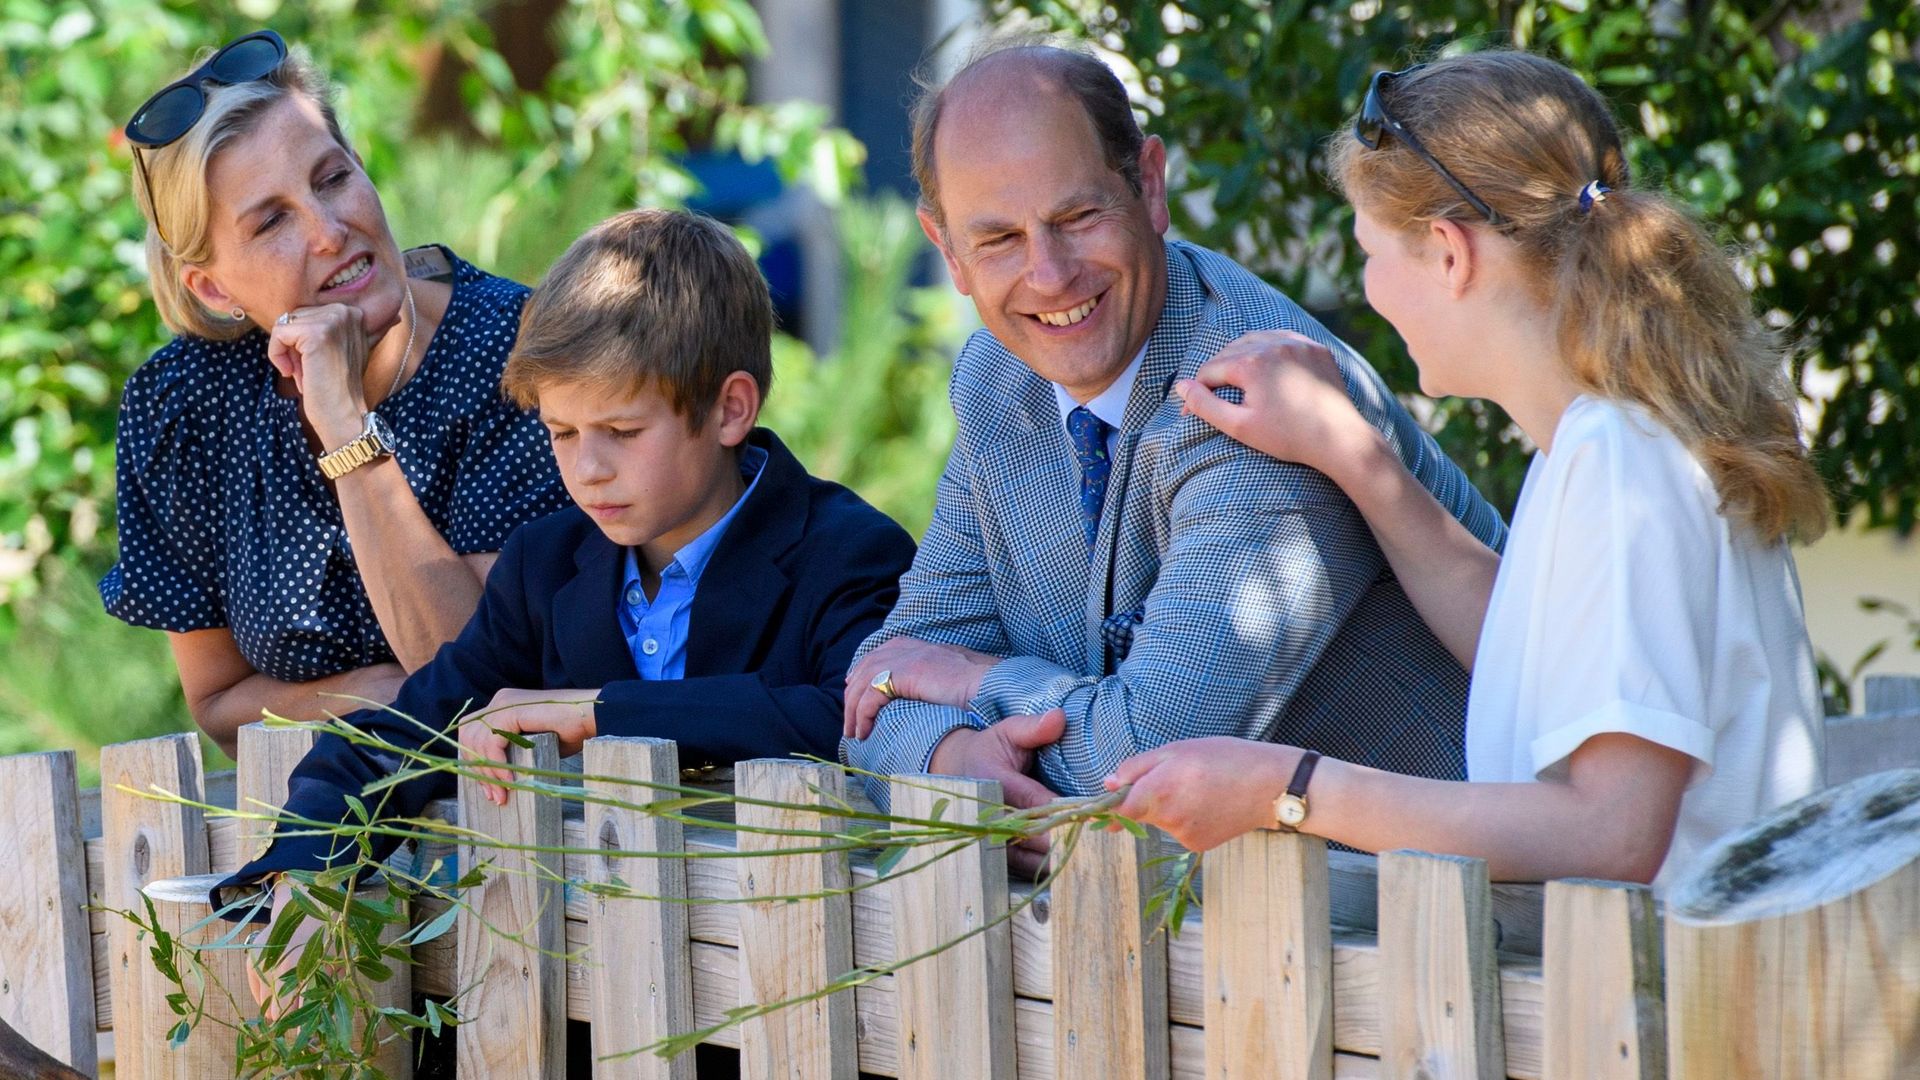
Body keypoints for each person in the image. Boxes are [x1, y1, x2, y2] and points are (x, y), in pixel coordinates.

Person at [1106, 51, 1829, 891]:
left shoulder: (1621, 463)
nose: (1369, 288)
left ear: (1449, 254)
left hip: (1690, 1007)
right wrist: (1353, 454)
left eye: (1371, 252)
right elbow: (1527, 653)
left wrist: (1289, 788)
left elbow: (1613, 829)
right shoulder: (1598, 439)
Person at [838, 38, 1506, 815]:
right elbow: (878, 688)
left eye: (1078, 215)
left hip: (1439, 908)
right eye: (1000, 240)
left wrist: (975, 680)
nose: (1049, 275)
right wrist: (953, 756)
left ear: (1150, 185)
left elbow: (1142, 759)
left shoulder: (1259, 400)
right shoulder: (999, 378)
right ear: (947, 251)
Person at [215, 206, 916, 902]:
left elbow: (843, 720)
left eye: (620, 430)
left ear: (731, 409)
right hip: (589, 977)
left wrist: (601, 711)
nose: (588, 469)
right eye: (563, 432)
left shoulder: (848, 551)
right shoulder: (543, 567)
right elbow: (400, 736)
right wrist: (299, 879)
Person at [101, 30, 569, 757]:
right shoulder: (182, 405)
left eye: (332, 179)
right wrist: (373, 696)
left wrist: (346, 426)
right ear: (213, 287)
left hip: (540, 828)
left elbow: (475, 679)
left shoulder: (522, 353)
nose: (329, 233)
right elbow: (219, 701)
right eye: (271, 221)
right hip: (327, 831)